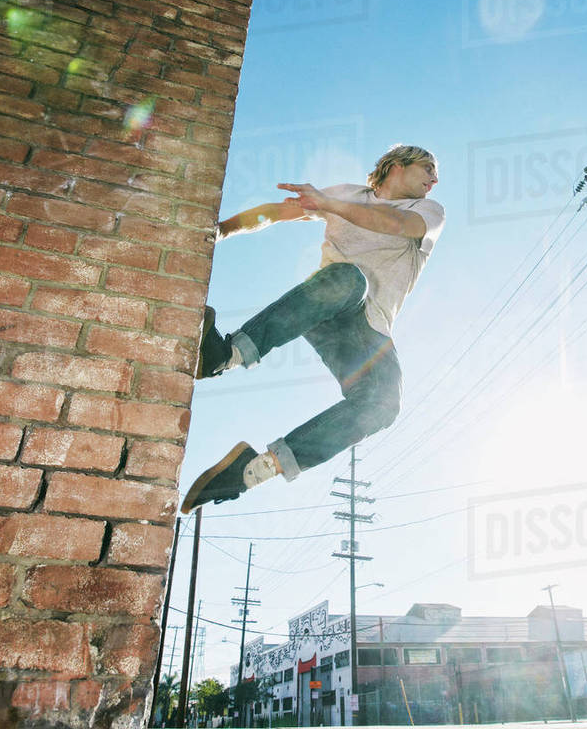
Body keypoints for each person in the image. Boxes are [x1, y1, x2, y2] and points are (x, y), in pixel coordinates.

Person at [181, 144, 444, 513]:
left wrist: (328, 204)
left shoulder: (427, 210)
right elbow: (276, 213)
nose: (434, 179)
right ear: (397, 165)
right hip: (329, 305)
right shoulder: (347, 194)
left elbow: (396, 225)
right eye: (428, 168)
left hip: (369, 332)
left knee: (384, 403)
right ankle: (225, 355)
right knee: (351, 279)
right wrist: (220, 230)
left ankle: (251, 471)